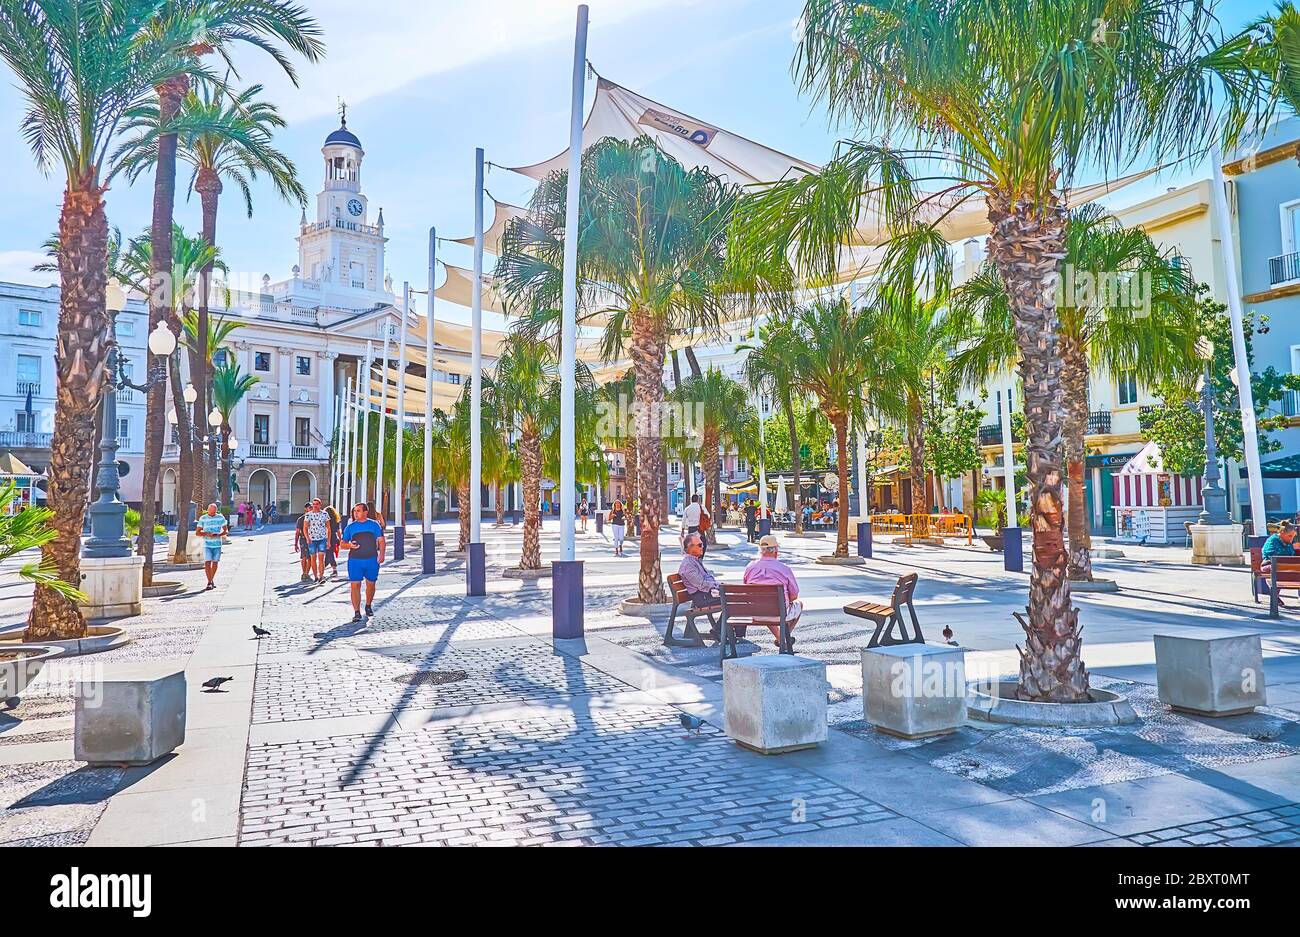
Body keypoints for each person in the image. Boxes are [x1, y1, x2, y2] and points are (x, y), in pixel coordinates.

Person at [743, 535, 804, 648]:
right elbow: (794, 595)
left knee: (765, 606)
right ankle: (784, 638)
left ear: (761, 550)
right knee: (798, 604)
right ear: (775, 550)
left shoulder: (750, 567)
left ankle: (781, 638)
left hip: (756, 612)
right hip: (778, 612)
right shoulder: (784, 569)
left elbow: (746, 588)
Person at [340, 502, 386, 622]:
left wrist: (382, 554)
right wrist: (350, 545)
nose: (356, 513)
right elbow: (342, 544)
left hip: (371, 559)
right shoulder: (350, 527)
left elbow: (381, 540)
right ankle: (356, 612)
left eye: (359, 511)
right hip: (355, 561)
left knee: (371, 584)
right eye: (355, 511)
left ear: (366, 512)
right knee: (355, 585)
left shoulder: (374, 525)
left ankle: (368, 605)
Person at [1262, 521, 1298, 606]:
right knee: (1279, 568)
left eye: (1293, 536)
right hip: (1269, 565)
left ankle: (1274, 594)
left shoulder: (1288, 543)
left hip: (1284, 567)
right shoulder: (1273, 540)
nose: (1291, 539)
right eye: (1289, 536)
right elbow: (1270, 555)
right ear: (1281, 533)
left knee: (1284, 569)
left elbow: (1291, 555)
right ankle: (1275, 594)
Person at [194, 503, 228, 591]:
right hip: (207, 544)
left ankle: (211, 580)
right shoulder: (203, 518)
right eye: (211, 512)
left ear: (216, 511)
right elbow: (197, 532)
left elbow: (225, 530)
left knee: (215, 563)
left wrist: (219, 534)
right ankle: (209, 582)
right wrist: (206, 533)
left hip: (217, 544)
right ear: (208, 510)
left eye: (214, 512)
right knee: (207, 562)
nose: (212, 513)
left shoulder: (220, 517)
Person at [302, 498, 332, 584]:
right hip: (312, 540)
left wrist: (328, 541)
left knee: (321, 559)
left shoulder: (325, 514)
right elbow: (305, 528)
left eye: (317, 504)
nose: (315, 506)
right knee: (313, 559)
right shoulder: (308, 515)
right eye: (313, 504)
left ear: (320, 504)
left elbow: (328, 528)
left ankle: (321, 576)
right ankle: (315, 576)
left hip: (322, 539)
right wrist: (307, 538)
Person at [292, 502, 312, 582]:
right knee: (304, 557)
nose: (311, 509)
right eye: (310, 507)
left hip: (312, 539)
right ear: (306, 509)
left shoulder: (314, 517)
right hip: (303, 539)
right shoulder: (301, 519)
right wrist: (295, 544)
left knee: (310, 557)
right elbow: (297, 532)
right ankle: (305, 573)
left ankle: (306, 573)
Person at [325, 505, 342, 578]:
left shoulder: (325, 520)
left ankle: (334, 569)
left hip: (327, 537)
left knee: (329, 553)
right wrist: (341, 539)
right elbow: (338, 531)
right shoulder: (335, 520)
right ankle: (323, 567)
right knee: (329, 553)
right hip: (334, 537)